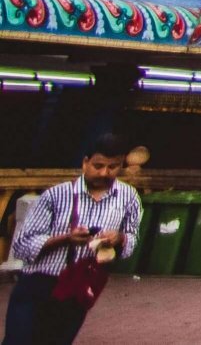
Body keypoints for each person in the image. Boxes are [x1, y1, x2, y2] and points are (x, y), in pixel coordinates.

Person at [5, 136, 141, 345]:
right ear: (85, 162)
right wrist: (66, 238)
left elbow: (131, 241)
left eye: (113, 167)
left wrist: (119, 238)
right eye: (98, 166)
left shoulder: (129, 197)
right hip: (39, 284)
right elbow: (22, 245)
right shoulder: (56, 195)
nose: (105, 173)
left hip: (78, 287)